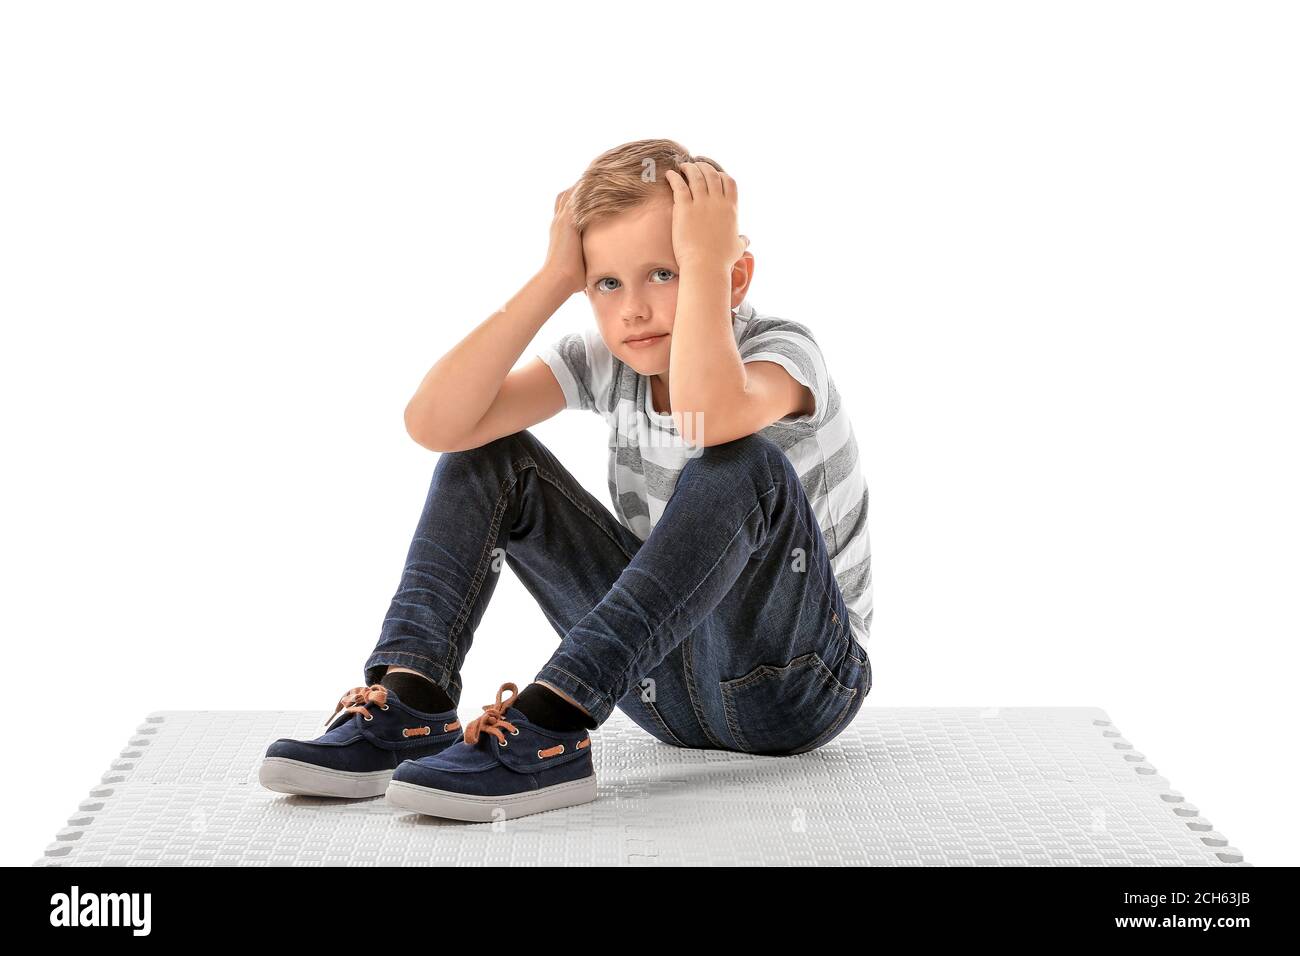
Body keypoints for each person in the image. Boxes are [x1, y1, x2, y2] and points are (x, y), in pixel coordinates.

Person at [259, 138, 873, 822]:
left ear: (733, 278)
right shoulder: (608, 360)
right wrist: (555, 277)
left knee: (742, 461)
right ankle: (411, 701)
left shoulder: (785, 352)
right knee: (486, 451)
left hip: (794, 686)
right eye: (607, 283)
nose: (632, 309)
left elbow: (710, 416)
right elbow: (436, 423)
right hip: (657, 685)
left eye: (664, 274)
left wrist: (706, 258)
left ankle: (552, 721)